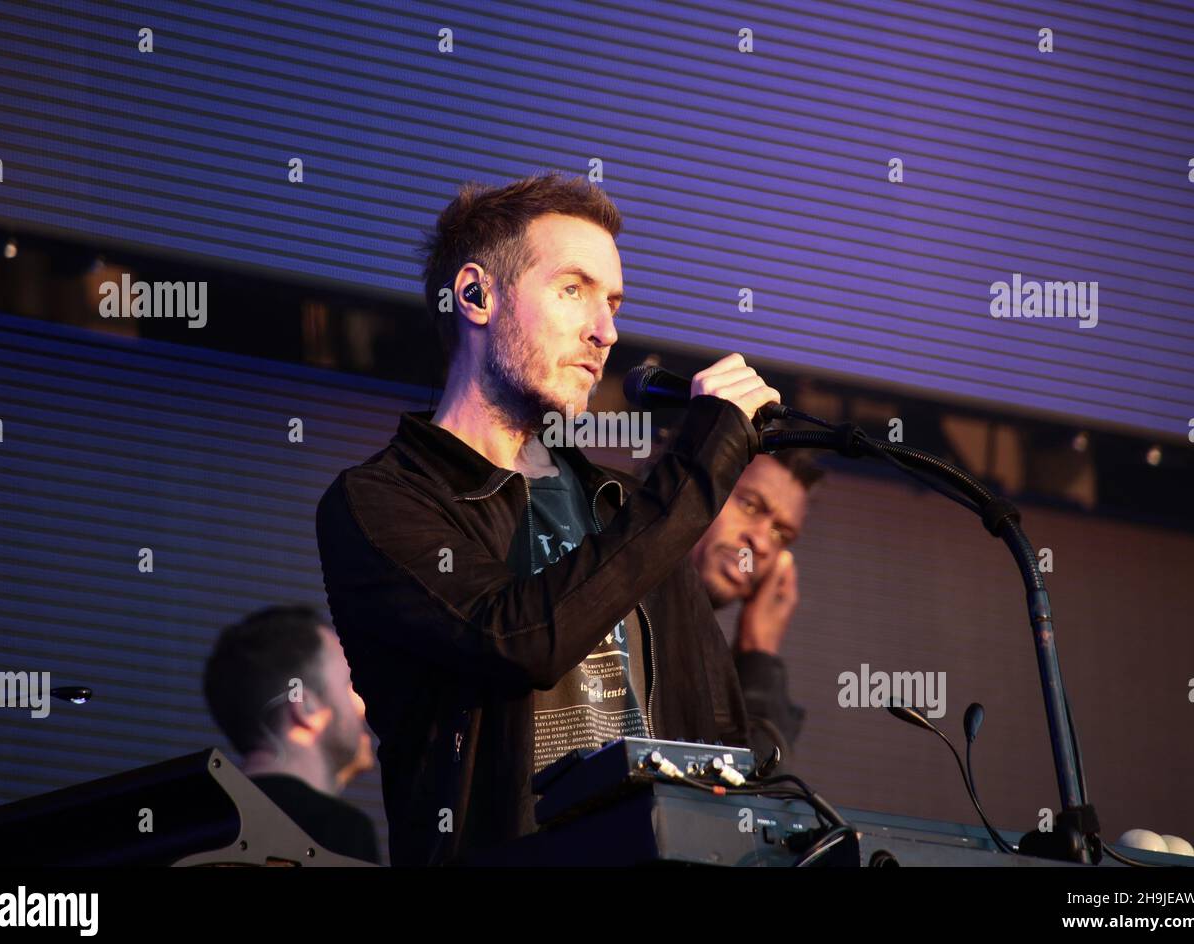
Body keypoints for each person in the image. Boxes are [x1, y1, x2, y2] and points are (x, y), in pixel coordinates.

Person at [316, 171, 782, 866]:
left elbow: (727, 744)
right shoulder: (382, 501)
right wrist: (701, 464)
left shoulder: (623, 509)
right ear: (475, 295)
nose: (606, 331)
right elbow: (517, 638)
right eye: (573, 291)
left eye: (614, 303)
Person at [203, 605, 381, 864]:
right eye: (350, 685)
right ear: (306, 708)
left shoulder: (189, 822)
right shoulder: (340, 831)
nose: (365, 706)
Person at [690, 448, 825, 754]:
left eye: (781, 534)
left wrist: (758, 652)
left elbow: (754, 789)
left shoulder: (712, 663)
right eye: (749, 505)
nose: (761, 543)